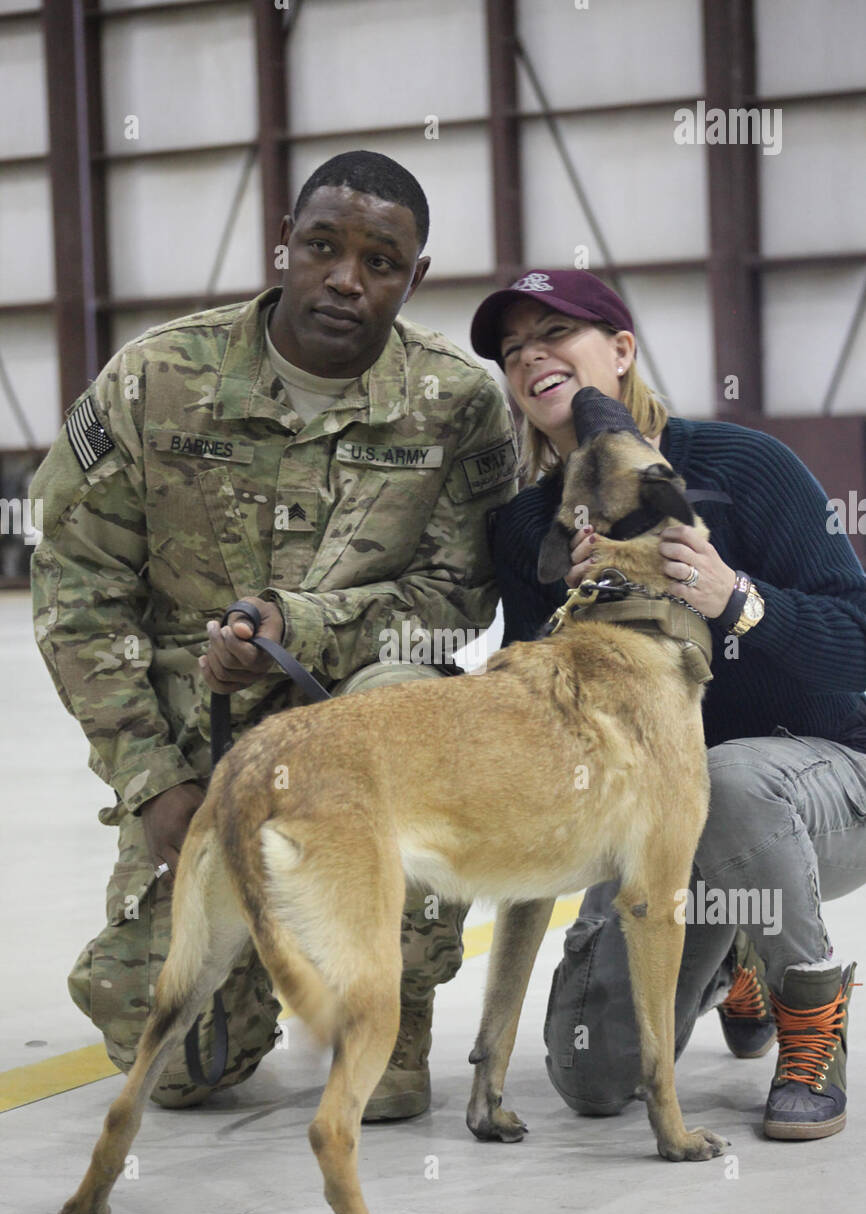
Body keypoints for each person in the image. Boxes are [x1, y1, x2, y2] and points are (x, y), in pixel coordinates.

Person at [29, 150, 518, 1115]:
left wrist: (307, 626)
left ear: (412, 279)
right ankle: (266, 968)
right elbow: (77, 586)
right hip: (199, 728)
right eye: (324, 246)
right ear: (284, 244)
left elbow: (458, 595)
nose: (346, 278)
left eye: (381, 261)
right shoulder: (158, 379)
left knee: (416, 710)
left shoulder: (457, 403)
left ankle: (394, 1013)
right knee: (180, 1061)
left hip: (361, 715)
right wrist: (153, 782)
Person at [469, 267, 866, 1140]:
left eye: (553, 333)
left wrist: (737, 599)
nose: (530, 356)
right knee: (590, 1077)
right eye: (511, 349)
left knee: (724, 780)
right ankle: (738, 954)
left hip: (818, 781)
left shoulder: (747, 465)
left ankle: (809, 1017)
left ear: (619, 350)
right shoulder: (531, 525)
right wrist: (569, 623)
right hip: (655, 818)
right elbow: (541, 713)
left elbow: (858, 632)